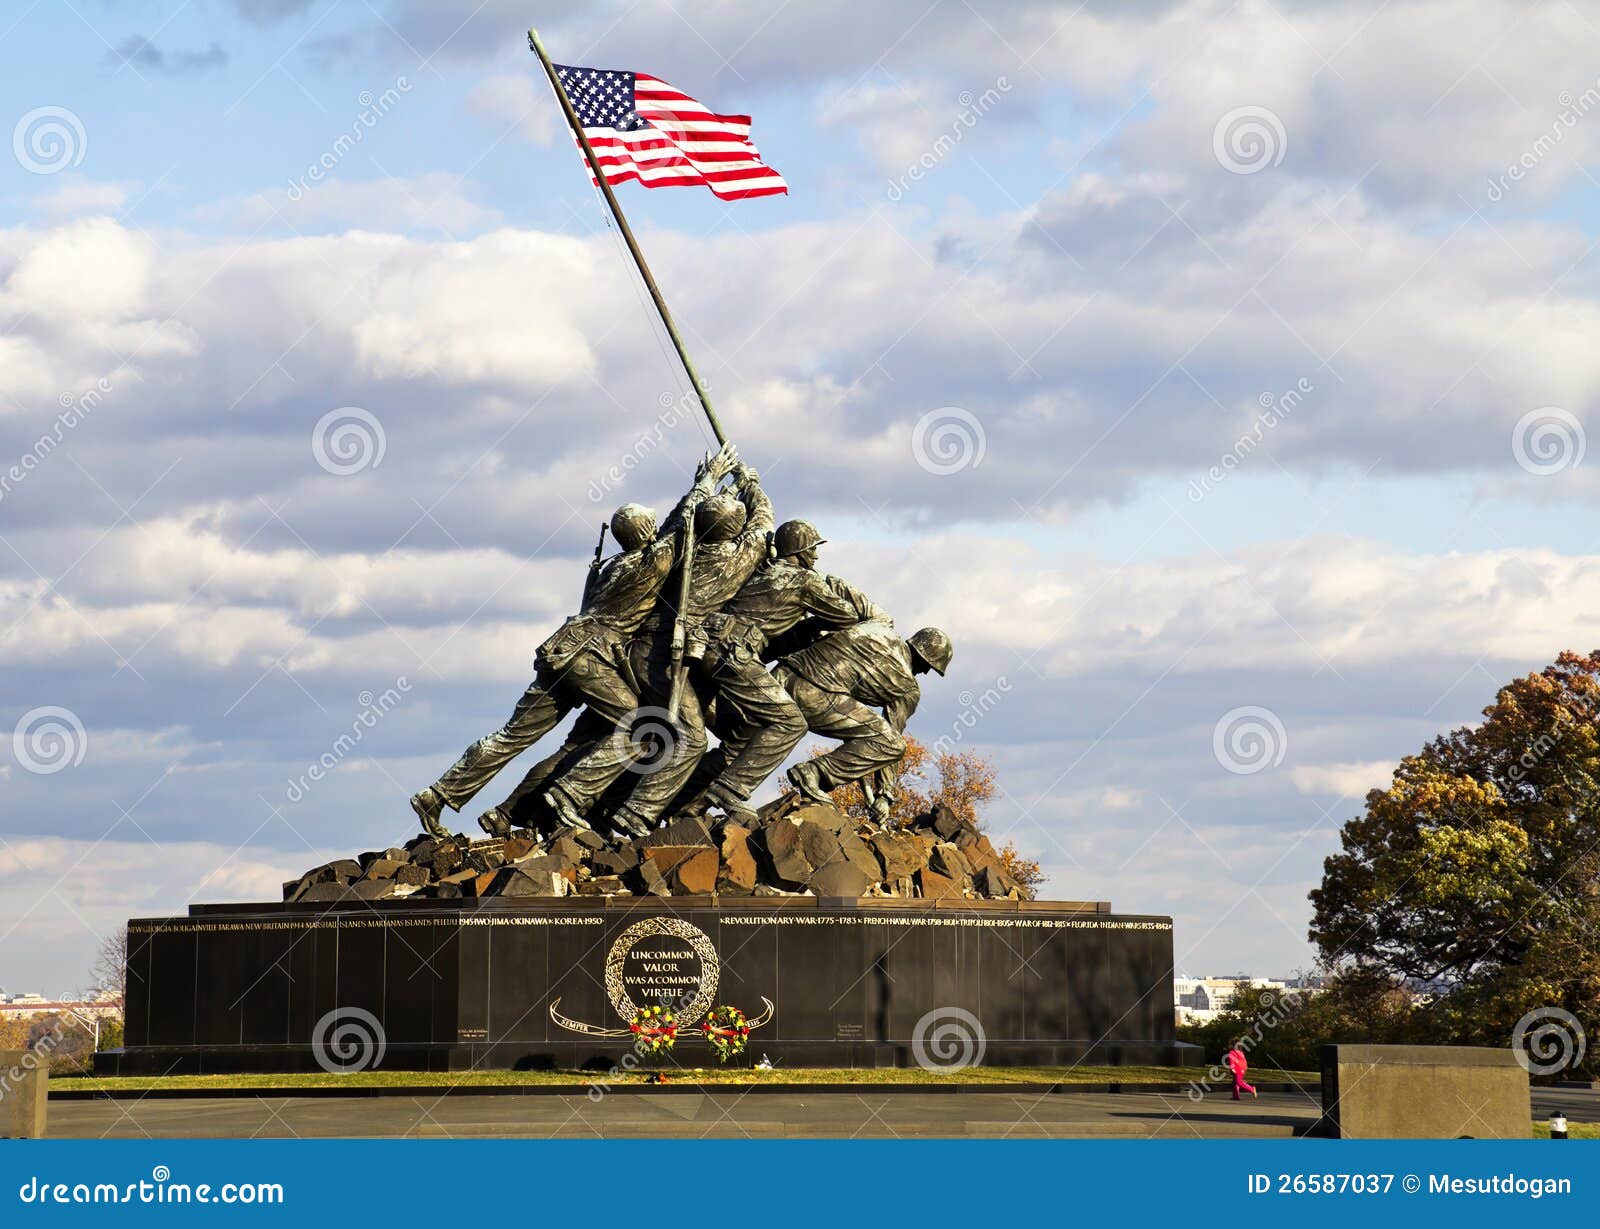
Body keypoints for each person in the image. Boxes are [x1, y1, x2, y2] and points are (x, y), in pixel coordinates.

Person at [408, 443, 737, 839]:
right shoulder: (651, 564)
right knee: (643, 730)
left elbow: (669, 528)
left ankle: (438, 793)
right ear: (647, 533)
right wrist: (707, 481)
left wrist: (707, 486)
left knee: (512, 736)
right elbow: (681, 527)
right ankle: (569, 798)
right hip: (591, 657)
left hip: (560, 650)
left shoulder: (613, 565)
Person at [544, 458, 773, 834]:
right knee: (690, 738)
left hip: (635, 652)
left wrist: (709, 483)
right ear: (734, 531)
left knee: (648, 731)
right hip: (665, 656)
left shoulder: (680, 551)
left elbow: (676, 524)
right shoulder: (739, 557)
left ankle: (605, 803)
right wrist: (750, 482)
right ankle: (622, 809)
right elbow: (764, 521)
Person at [690, 519, 888, 822]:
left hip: (712, 647)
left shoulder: (762, 574)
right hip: (733, 652)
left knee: (746, 733)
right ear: (799, 550)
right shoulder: (804, 581)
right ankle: (732, 788)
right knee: (790, 722)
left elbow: (774, 627)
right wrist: (829, 592)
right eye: (813, 549)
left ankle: (684, 805)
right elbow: (846, 615)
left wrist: (806, 625)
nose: (816, 556)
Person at [777, 622, 952, 822]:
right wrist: (884, 795)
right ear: (923, 658)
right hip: (813, 695)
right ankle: (813, 773)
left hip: (781, 674)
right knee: (893, 745)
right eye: (929, 667)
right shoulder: (908, 687)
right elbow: (891, 737)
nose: (926, 673)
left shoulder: (877, 629)